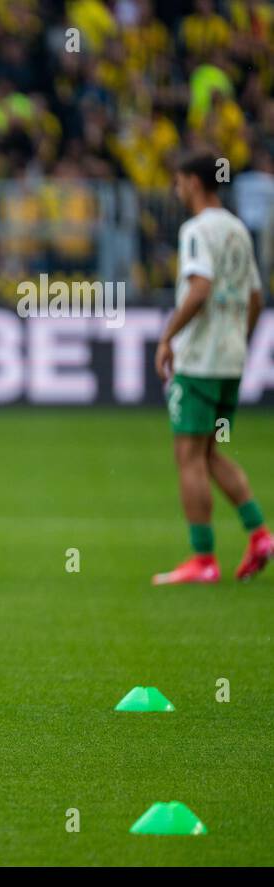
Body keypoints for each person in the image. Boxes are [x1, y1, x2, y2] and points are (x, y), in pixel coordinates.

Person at [152, 149, 272, 584]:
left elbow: (200, 288)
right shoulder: (238, 229)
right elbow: (256, 297)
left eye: (179, 181)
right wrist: (239, 342)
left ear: (194, 182)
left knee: (188, 455)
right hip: (230, 360)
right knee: (208, 451)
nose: (176, 189)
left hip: (200, 360)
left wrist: (167, 337)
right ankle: (259, 533)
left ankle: (203, 560)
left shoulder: (197, 230)